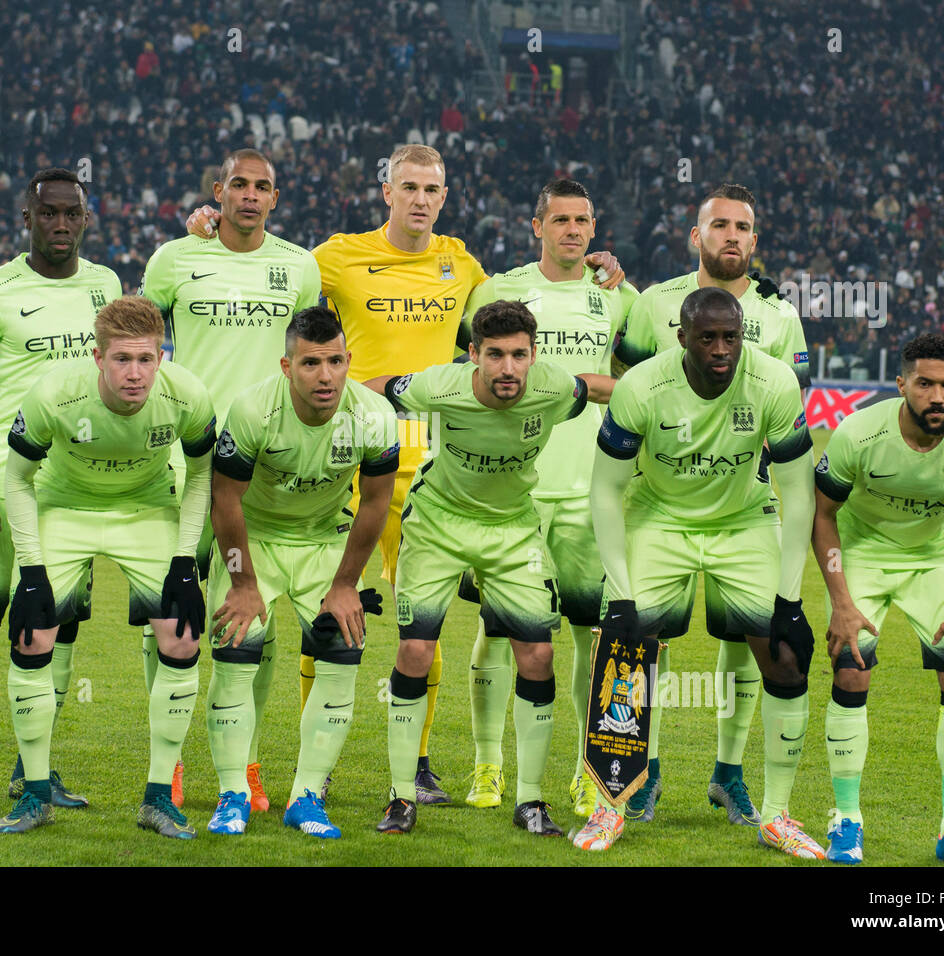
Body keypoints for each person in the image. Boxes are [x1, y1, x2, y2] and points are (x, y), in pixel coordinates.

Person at [186, 144, 624, 803]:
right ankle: (312, 769)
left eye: (433, 189)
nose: (421, 199)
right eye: (410, 186)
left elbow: (519, 307)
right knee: (327, 612)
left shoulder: (462, 266)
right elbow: (265, 265)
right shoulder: (335, 257)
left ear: (443, 198)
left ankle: (418, 765)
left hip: (430, 464)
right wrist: (212, 228)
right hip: (351, 454)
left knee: (427, 620)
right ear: (385, 190)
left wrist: (593, 263)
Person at [583, 286, 819, 857]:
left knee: (786, 657)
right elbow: (606, 494)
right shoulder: (642, 387)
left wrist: (790, 600)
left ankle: (778, 813)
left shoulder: (774, 383)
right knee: (625, 649)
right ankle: (609, 804)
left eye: (730, 337)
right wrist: (619, 596)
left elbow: (799, 493)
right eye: (707, 337)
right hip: (659, 518)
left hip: (743, 521)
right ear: (681, 337)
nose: (720, 349)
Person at [365, 299, 614, 836]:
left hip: (512, 529)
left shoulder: (553, 387)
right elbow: (377, 387)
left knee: (538, 655)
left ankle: (530, 800)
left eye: (519, 355)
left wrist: (672, 391)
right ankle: (401, 796)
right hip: (438, 522)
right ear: (473, 354)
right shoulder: (439, 386)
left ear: (534, 354)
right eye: (495, 355)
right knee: (414, 649)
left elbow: (596, 386)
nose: (508, 368)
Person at [141, 148, 322, 812]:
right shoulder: (173, 260)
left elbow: (308, 356)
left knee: (257, 620)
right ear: (217, 191)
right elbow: (138, 342)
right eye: (238, 184)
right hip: (183, 463)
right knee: (170, 616)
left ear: (276, 198)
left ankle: (243, 762)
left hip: (265, 467)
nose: (249, 194)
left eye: (262, 186)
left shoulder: (299, 267)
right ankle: (174, 760)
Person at [0, 296, 216, 835]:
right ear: (98, 358)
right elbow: (16, 480)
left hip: (146, 511)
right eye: (122, 359)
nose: (135, 373)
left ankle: (158, 798)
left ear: (161, 356)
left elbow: (203, 478)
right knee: (31, 637)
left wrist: (185, 563)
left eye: (146, 358)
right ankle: (35, 791)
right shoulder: (55, 394)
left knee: (184, 637)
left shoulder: (187, 396)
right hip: (65, 509)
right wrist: (30, 571)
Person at [458, 179, 638, 819]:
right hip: (515, 491)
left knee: (593, 635)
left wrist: (595, 385)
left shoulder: (615, 295)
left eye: (582, 220)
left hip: (589, 491)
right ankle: (487, 766)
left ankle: (592, 770)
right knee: (499, 630)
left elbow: (643, 381)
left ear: (594, 229)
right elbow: (467, 375)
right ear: (537, 225)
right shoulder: (498, 290)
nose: (571, 230)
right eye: (559, 219)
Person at [0, 167, 122, 813]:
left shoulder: (105, 286)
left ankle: (34, 771)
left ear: (86, 217)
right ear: (27, 218)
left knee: (61, 631)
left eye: (70, 212)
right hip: (7, 481)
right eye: (47, 212)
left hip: (75, 489)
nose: (59, 223)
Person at [812, 333, 944, 866]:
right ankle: (846, 821)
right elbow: (823, 517)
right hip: (864, 552)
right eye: (925, 384)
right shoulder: (858, 433)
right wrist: (841, 602)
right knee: (851, 665)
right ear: (902, 384)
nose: (938, 397)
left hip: (934, 557)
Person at [204, 307, 397, 838]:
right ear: (287, 366)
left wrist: (344, 585)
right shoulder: (251, 410)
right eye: (311, 363)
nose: (326, 376)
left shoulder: (375, 415)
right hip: (254, 539)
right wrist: (243, 584)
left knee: (342, 652)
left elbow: (375, 505)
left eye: (335, 362)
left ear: (348, 361)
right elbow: (225, 500)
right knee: (237, 652)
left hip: (325, 543)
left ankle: (307, 797)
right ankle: (232, 796)